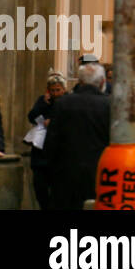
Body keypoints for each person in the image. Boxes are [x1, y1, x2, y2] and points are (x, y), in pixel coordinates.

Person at [44, 62, 111, 210]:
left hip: (66, 175)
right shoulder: (109, 105)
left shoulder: (63, 103)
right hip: (100, 175)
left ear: (80, 82)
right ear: (102, 82)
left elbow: (51, 142)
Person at [26, 73, 66, 209]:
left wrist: (53, 122)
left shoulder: (67, 102)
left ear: (63, 89)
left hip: (58, 156)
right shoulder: (43, 101)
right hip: (41, 154)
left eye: (58, 90)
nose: (55, 93)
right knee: (40, 191)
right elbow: (32, 116)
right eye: (52, 90)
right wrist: (43, 103)